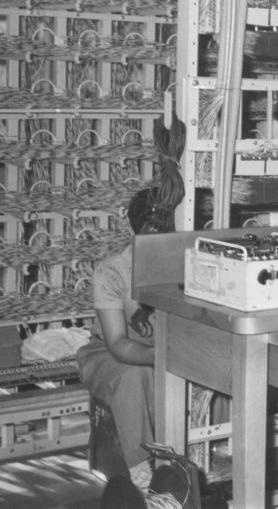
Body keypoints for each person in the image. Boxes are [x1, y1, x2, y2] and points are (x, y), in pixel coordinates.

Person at [76, 188, 175, 491]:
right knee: (136, 375)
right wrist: (164, 358)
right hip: (107, 354)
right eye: (149, 232)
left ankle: (211, 455)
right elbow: (117, 343)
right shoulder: (111, 271)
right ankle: (141, 469)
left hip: (167, 350)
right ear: (133, 229)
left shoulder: (183, 264)